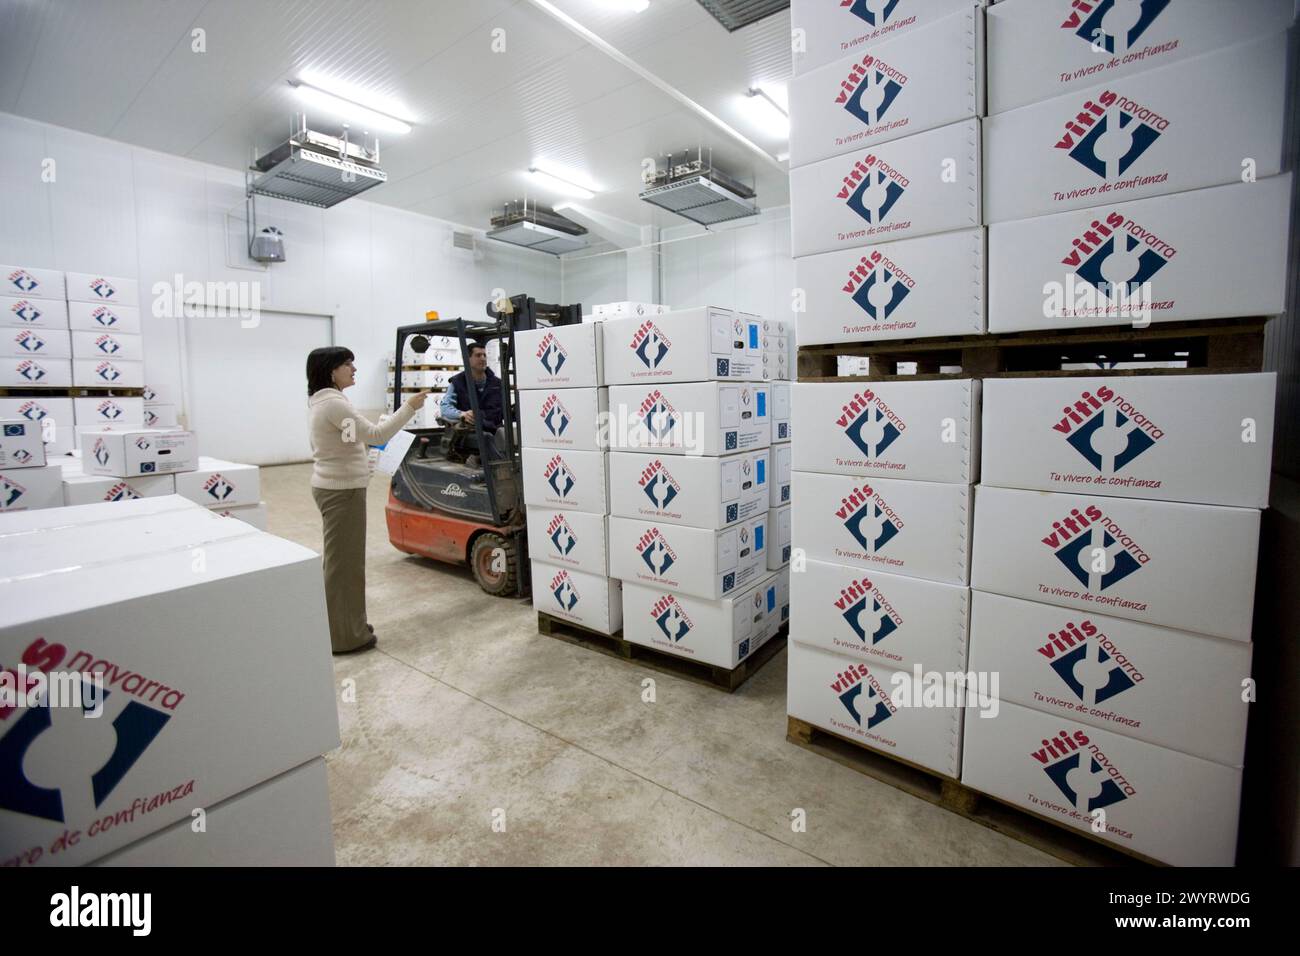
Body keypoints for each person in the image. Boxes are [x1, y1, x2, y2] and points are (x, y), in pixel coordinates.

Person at [306, 346, 428, 655]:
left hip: (335, 487)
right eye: (348, 364)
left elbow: (350, 440)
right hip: (341, 492)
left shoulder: (325, 402)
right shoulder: (334, 404)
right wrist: (409, 408)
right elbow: (374, 434)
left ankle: (346, 625)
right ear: (331, 370)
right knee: (344, 566)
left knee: (341, 563)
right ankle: (347, 636)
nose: (354, 369)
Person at [439, 341, 504, 463]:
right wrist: (461, 414)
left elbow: (503, 410)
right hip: (470, 431)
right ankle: (502, 468)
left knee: (510, 435)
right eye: (478, 355)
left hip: (494, 427)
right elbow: (445, 407)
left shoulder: (497, 383)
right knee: (486, 438)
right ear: (467, 359)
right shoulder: (458, 382)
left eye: (484, 355)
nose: (483, 358)